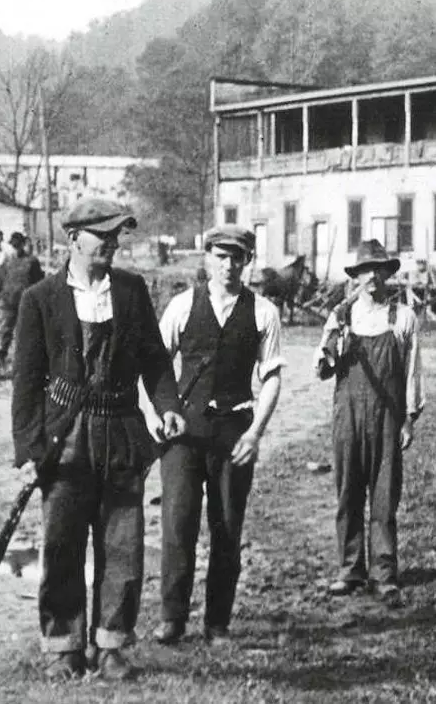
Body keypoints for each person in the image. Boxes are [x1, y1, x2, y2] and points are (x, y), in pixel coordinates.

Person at [10, 197, 186, 681]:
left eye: (116, 235)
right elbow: (26, 380)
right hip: (65, 439)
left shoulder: (131, 292)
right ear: (73, 239)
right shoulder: (40, 299)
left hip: (123, 434)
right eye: (102, 234)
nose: (111, 242)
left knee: (123, 544)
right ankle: (64, 645)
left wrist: (168, 408)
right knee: (63, 543)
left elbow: (154, 360)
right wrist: (28, 448)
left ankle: (111, 645)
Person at [149, 224, 284, 646]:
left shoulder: (263, 312)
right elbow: (154, 367)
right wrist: (160, 413)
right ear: (207, 258)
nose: (228, 265)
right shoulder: (183, 306)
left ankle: (217, 623)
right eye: (221, 256)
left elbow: (273, 375)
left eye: (237, 257)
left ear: (248, 262)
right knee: (178, 522)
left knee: (227, 527)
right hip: (184, 433)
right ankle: (172, 619)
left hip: (233, 432)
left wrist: (256, 434)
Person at [314, 239, 424, 600]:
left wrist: (409, 419)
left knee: (384, 496)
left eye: (379, 269)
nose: (372, 277)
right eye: (365, 270)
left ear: (388, 274)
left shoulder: (403, 318)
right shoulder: (341, 316)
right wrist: (334, 349)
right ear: (356, 277)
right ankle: (350, 570)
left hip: (387, 419)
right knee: (348, 493)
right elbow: (322, 370)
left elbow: (412, 374)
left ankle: (384, 571)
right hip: (348, 417)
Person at [0, 231, 44, 368]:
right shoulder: (8, 260)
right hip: (8, 301)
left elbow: (38, 281)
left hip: (25, 302)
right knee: (5, 330)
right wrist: (1, 295)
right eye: (13, 246)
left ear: (23, 245)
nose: (16, 248)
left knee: (23, 332)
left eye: (18, 245)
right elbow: (2, 278)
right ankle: (1, 358)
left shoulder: (32, 261)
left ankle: (22, 361)